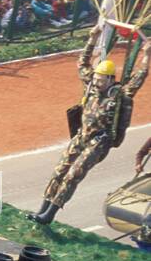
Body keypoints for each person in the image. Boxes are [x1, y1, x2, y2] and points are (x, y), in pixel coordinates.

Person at [34, 23, 151, 223]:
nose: (96, 82)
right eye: (95, 78)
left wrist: (146, 55)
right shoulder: (91, 85)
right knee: (60, 170)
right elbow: (82, 63)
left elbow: (138, 79)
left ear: (109, 78)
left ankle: (50, 214)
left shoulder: (119, 94)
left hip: (99, 141)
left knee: (73, 174)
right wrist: (92, 37)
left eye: (100, 79)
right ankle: (42, 208)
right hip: (82, 135)